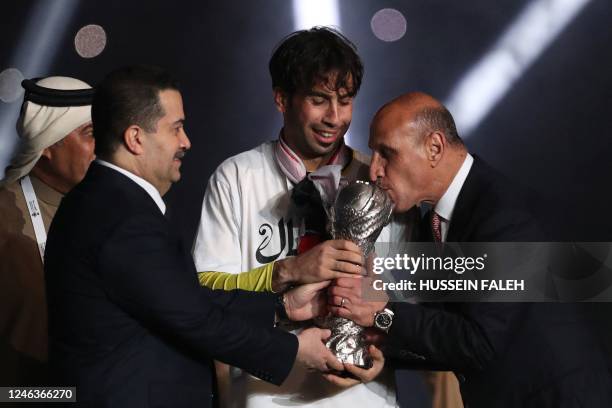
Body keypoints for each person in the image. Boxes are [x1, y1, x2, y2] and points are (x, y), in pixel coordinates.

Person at [44, 65, 344, 407]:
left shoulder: (101, 200)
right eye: (176, 129)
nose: (186, 142)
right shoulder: (123, 217)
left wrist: (283, 306)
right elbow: (196, 319)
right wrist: (294, 350)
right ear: (136, 138)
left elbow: (183, 301)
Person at [192, 27, 433, 408]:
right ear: (281, 99)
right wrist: (287, 271)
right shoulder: (237, 177)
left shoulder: (381, 180)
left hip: (367, 398)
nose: (334, 117)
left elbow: (414, 305)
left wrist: (385, 346)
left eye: (346, 100)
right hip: (264, 397)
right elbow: (203, 296)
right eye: (319, 100)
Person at [329, 91, 612, 407]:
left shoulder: (504, 215)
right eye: (373, 153)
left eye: (387, 153)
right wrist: (384, 348)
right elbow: (447, 336)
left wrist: (383, 312)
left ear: (434, 148)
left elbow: (479, 342)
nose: (374, 170)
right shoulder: (433, 223)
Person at [0, 76, 95, 386]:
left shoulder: (105, 216)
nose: (103, 148)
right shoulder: (4, 216)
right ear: (48, 146)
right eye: (90, 134)